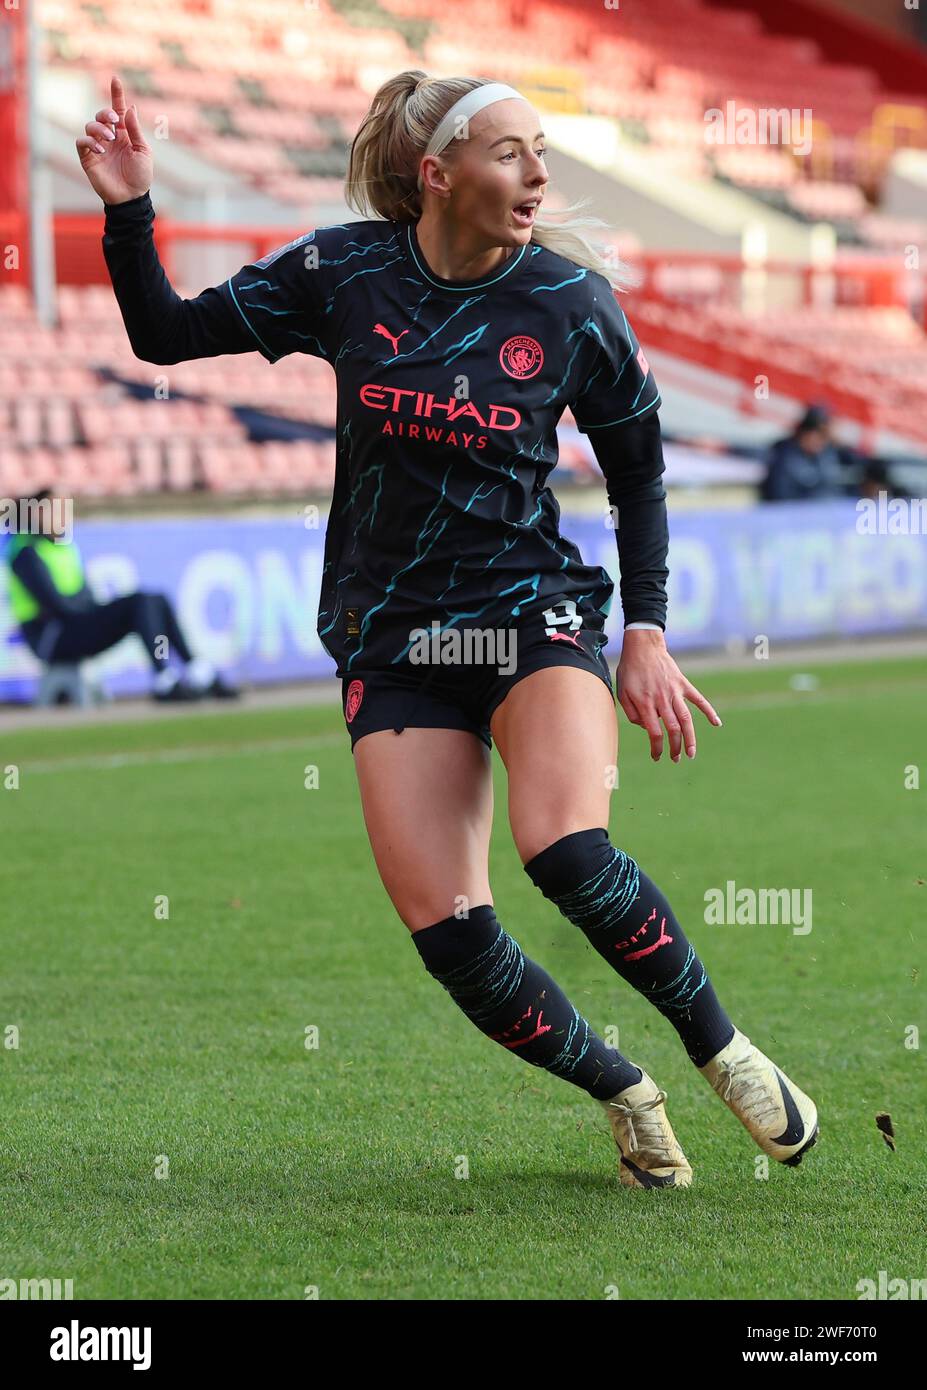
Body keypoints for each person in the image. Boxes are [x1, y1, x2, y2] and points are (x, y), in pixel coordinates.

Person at [78, 72, 818, 1188]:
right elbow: (164, 334)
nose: (539, 174)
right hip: (395, 637)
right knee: (451, 930)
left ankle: (723, 1050)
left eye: (540, 151)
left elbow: (638, 475)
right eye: (511, 153)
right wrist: (132, 206)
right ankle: (623, 1088)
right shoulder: (341, 273)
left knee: (565, 848)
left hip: (530, 614)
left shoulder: (573, 305)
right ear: (438, 174)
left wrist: (647, 631)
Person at [4, 488, 238, 702]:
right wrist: (93, 610)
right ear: (36, 515)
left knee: (156, 601)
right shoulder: (26, 552)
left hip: (75, 624)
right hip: (51, 636)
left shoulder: (63, 548)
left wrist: (91, 608)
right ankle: (163, 676)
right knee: (139, 604)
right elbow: (58, 604)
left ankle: (195, 669)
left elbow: (82, 595)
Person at [760, 403, 851, 502]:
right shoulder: (783, 455)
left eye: (827, 436)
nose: (823, 441)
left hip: (828, 507)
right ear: (806, 432)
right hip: (795, 508)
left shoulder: (827, 451)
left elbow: (857, 461)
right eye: (821, 434)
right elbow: (779, 497)